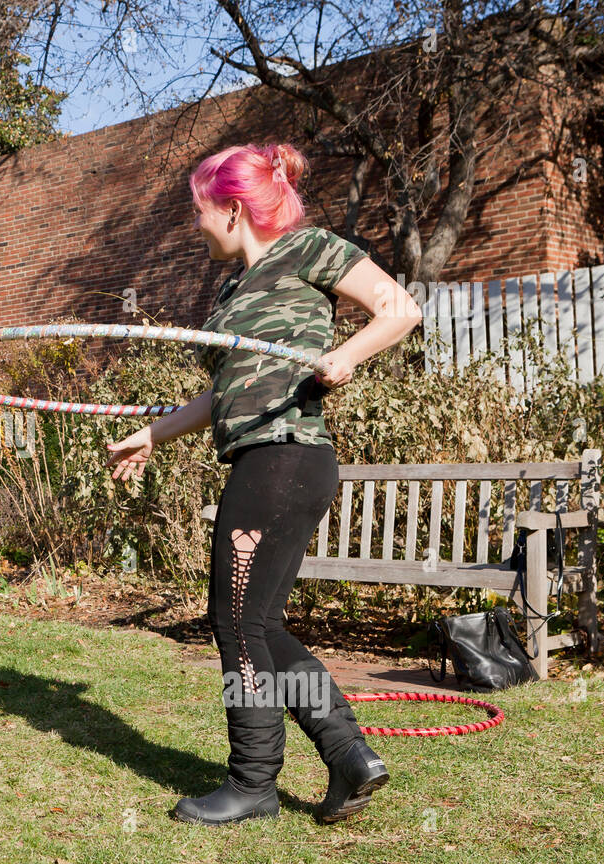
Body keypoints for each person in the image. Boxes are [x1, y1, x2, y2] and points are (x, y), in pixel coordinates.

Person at [106, 143, 423, 825]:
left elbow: (399, 308)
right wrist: (153, 434)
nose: (196, 224)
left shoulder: (308, 249)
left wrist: (344, 356)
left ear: (232, 209)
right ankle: (348, 755)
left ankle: (253, 783)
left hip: (284, 459)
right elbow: (224, 393)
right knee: (259, 623)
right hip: (268, 462)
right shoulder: (231, 292)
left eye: (199, 210)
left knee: (234, 622)